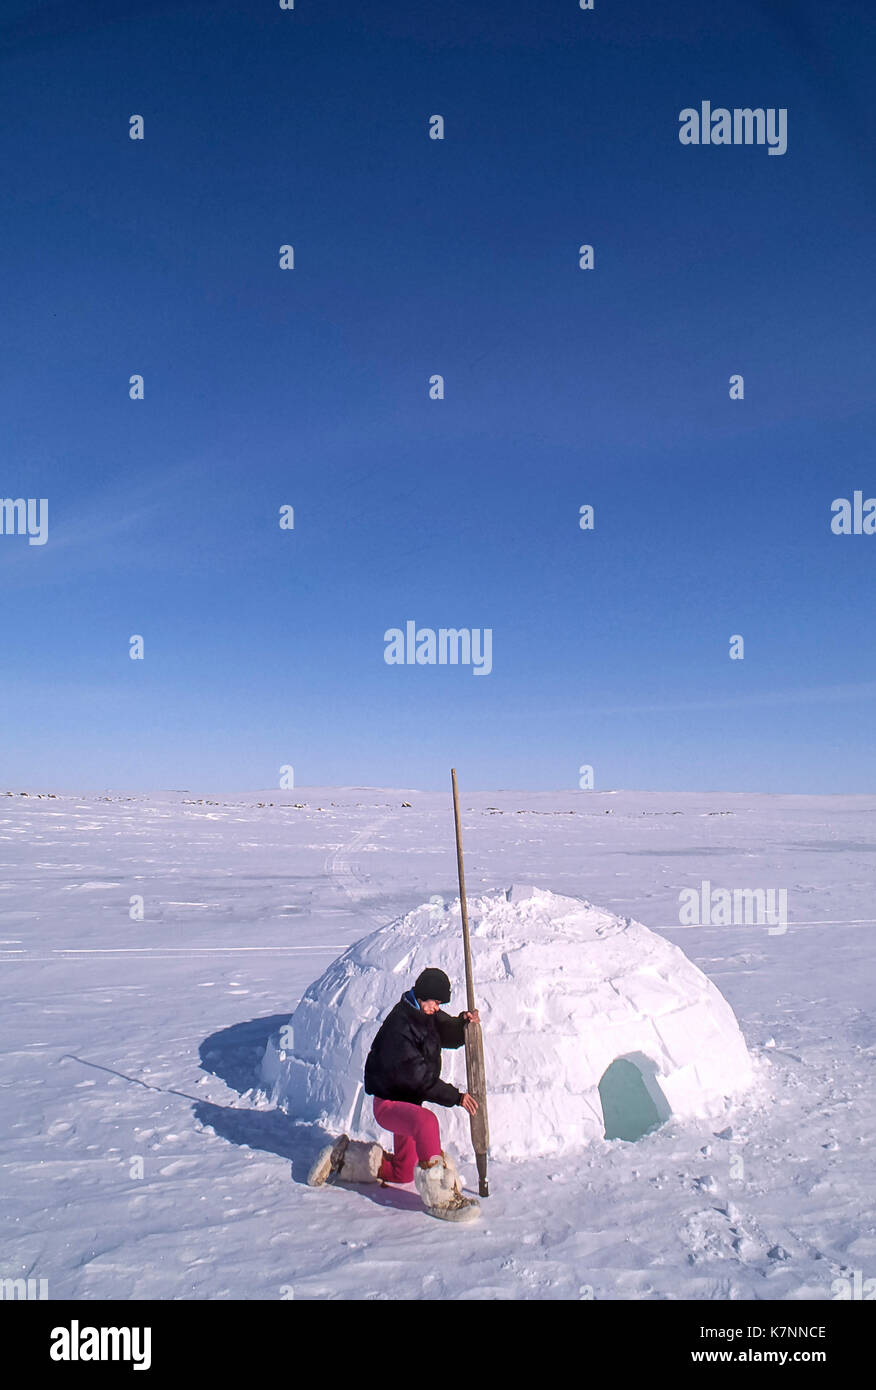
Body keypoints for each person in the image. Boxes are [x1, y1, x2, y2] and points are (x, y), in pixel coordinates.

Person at [307, 967, 481, 1222]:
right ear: (422, 996)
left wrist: (464, 1024)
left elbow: (446, 1030)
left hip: (407, 1100)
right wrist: (457, 1097)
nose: (437, 1007)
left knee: (403, 1173)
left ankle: (344, 1159)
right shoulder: (399, 1028)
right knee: (426, 1121)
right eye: (435, 1002)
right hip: (389, 1105)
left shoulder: (423, 1012)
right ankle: (441, 1198)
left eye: (440, 1003)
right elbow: (421, 1080)